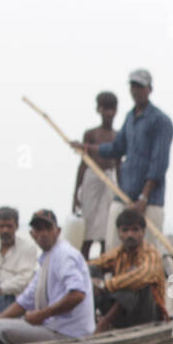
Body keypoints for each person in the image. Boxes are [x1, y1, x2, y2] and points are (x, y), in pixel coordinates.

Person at [80, 69, 172, 252]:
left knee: (149, 249)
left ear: (149, 89)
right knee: (113, 244)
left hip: (149, 199)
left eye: (140, 87)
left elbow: (159, 163)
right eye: (133, 86)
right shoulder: (130, 118)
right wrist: (89, 149)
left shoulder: (160, 121)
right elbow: (117, 148)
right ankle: (111, 279)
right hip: (124, 194)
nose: (135, 91)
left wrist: (144, 197)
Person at [0, 210, 94, 344]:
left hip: (68, 334)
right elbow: (24, 301)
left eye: (48, 228)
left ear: (57, 231)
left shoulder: (64, 254)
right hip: (53, 328)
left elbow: (78, 294)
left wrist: (42, 315)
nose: (43, 234)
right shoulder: (47, 259)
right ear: (32, 234)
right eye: (38, 229)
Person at [90, 207, 168, 332]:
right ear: (119, 233)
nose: (130, 235)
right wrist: (94, 281)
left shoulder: (151, 253)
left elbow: (143, 275)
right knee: (91, 270)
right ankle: (89, 320)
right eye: (125, 230)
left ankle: (103, 324)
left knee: (134, 280)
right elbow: (92, 264)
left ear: (143, 232)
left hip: (146, 316)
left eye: (135, 230)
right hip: (124, 312)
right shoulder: (118, 253)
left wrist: (105, 284)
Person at [74, 92, 118, 258]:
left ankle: (103, 266)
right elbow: (83, 163)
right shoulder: (91, 134)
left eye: (111, 109)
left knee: (107, 229)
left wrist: (122, 191)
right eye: (105, 109)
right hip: (91, 180)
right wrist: (75, 194)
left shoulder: (118, 136)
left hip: (109, 181)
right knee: (88, 226)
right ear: (99, 110)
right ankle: (83, 264)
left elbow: (118, 164)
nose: (109, 113)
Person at [0, 206, 39, 317]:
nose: (5, 230)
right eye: (2, 226)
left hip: (15, 301)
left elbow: (25, 278)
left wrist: (0, 289)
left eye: (9, 226)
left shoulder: (28, 248)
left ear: (17, 226)